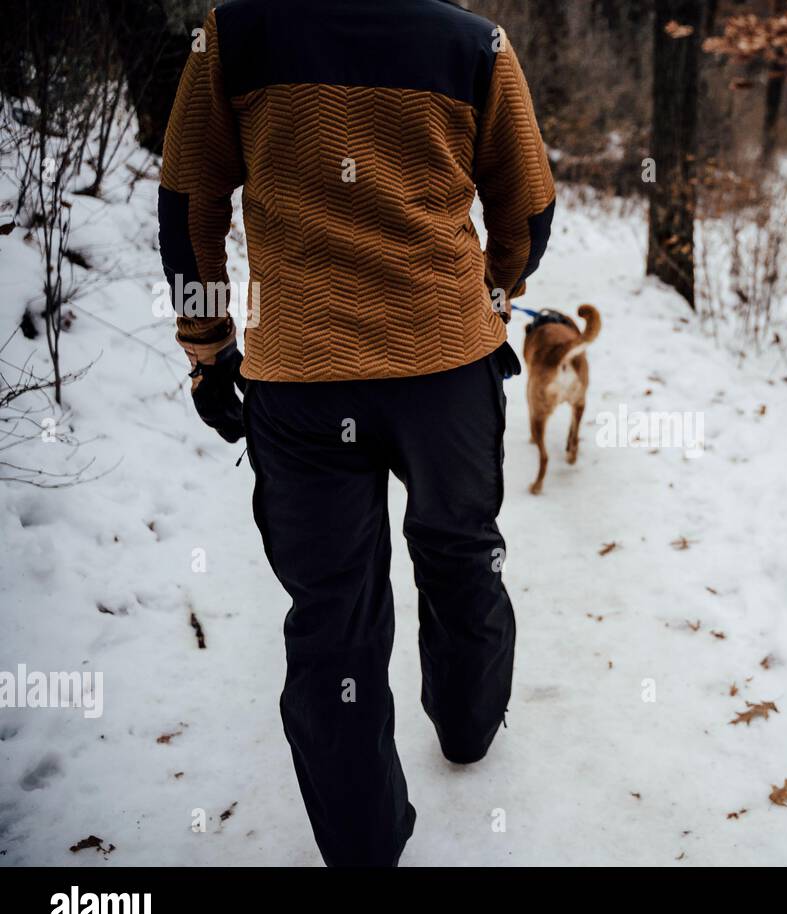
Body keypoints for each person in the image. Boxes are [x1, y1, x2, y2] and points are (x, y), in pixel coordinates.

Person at [157, 0, 555, 866]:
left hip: (302, 373)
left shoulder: (236, 35)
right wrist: (491, 297)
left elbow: (190, 205)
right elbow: (527, 208)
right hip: (445, 369)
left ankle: (362, 846)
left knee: (333, 612)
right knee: (461, 552)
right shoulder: (473, 43)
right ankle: (468, 728)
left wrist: (208, 347)